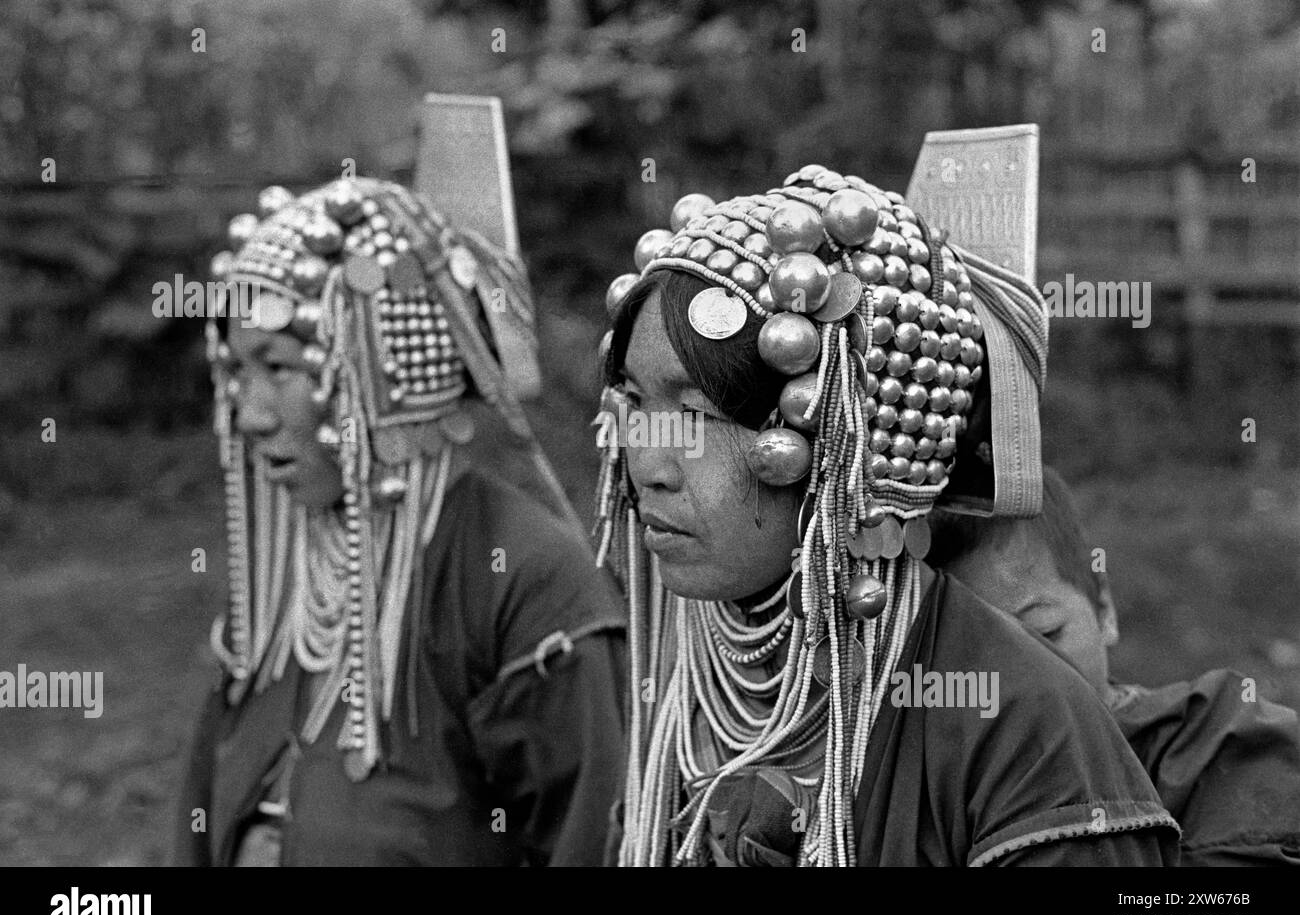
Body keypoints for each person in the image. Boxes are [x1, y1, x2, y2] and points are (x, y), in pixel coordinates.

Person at [591, 167, 1181, 866]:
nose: (647, 462)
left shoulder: (1022, 727)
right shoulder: (683, 677)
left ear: (846, 434)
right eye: (634, 400)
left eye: (693, 412)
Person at [174, 177, 626, 866]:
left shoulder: (528, 582)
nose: (250, 412)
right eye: (238, 368)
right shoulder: (276, 575)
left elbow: (590, 842)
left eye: (280, 366)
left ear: (384, 374)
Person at [929, 467, 1300, 865]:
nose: (1026, 685)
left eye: (1045, 634)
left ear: (1103, 605)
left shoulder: (1228, 749)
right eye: (978, 666)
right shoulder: (924, 794)